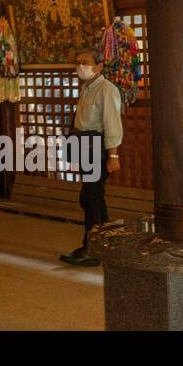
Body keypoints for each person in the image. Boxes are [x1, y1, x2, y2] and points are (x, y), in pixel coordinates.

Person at [59, 47, 123, 267]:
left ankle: (92, 248)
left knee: (90, 197)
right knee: (95, 197)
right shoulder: (87, 88)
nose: (80, 66)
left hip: (98, 146)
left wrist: (113, 155)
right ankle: (103, 245)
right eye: (78, 62)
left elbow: (112, 123)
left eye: (85, 62)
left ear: (99, 66)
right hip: (85, 143)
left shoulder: (106, 89)